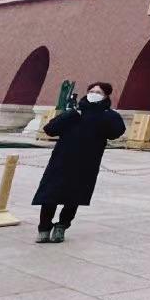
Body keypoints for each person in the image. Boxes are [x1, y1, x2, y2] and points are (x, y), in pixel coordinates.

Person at [32, 81, 126, 243]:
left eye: (98, 92)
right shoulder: (75, 112)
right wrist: (71, 115)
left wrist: (105, 117)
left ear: (106, 96)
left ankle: (62, 226)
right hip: (61, 160)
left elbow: (115, 133)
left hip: (86, 163)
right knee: (49, 195)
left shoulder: (109, 115)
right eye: (91, 91)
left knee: (74, 197)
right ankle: (44, 228)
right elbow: (50, 129)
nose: (93, 94)